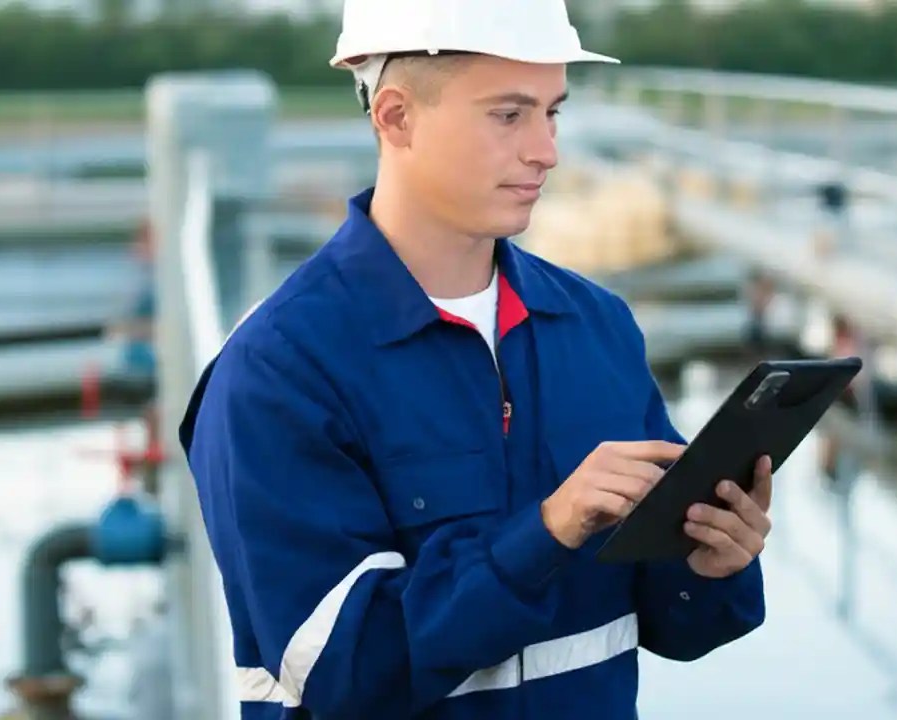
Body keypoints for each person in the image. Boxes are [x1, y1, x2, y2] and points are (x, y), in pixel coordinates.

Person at [179, 1, 772, 717]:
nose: (546, 150)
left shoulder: (596, 328)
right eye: (508, 115)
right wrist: (547, 531)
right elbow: (344, 675)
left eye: (552, 113)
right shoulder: (280, 372)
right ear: (396, 118)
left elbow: (674, 625)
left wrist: (714, 563)